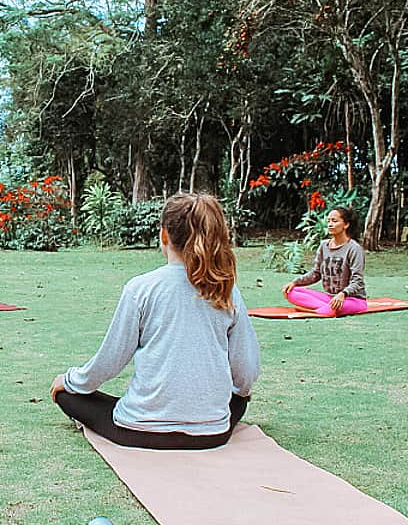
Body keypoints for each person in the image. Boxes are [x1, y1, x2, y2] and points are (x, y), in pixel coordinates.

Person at [50, 193, 259, 450]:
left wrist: (69, 380)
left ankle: (147, 413)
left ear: (164, 236)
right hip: (212, 433)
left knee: (65, 395)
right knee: (241, 398)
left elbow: (110, 361)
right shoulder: (225, 290)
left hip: (141, 432)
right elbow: (246, 372)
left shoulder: (141, 288)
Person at [282, 206, 367, 316]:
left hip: (352, 300)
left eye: (334, 221)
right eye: (329, 221)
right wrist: (295, 282)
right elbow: (315, 273)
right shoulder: (324, 245)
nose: (330, 224)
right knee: (291, 292)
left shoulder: (354, 248)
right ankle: (326, 308)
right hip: (329, 297)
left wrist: (343, 294)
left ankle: (315, 312)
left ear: (346, 225)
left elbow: (357, 280)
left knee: (338, 306)